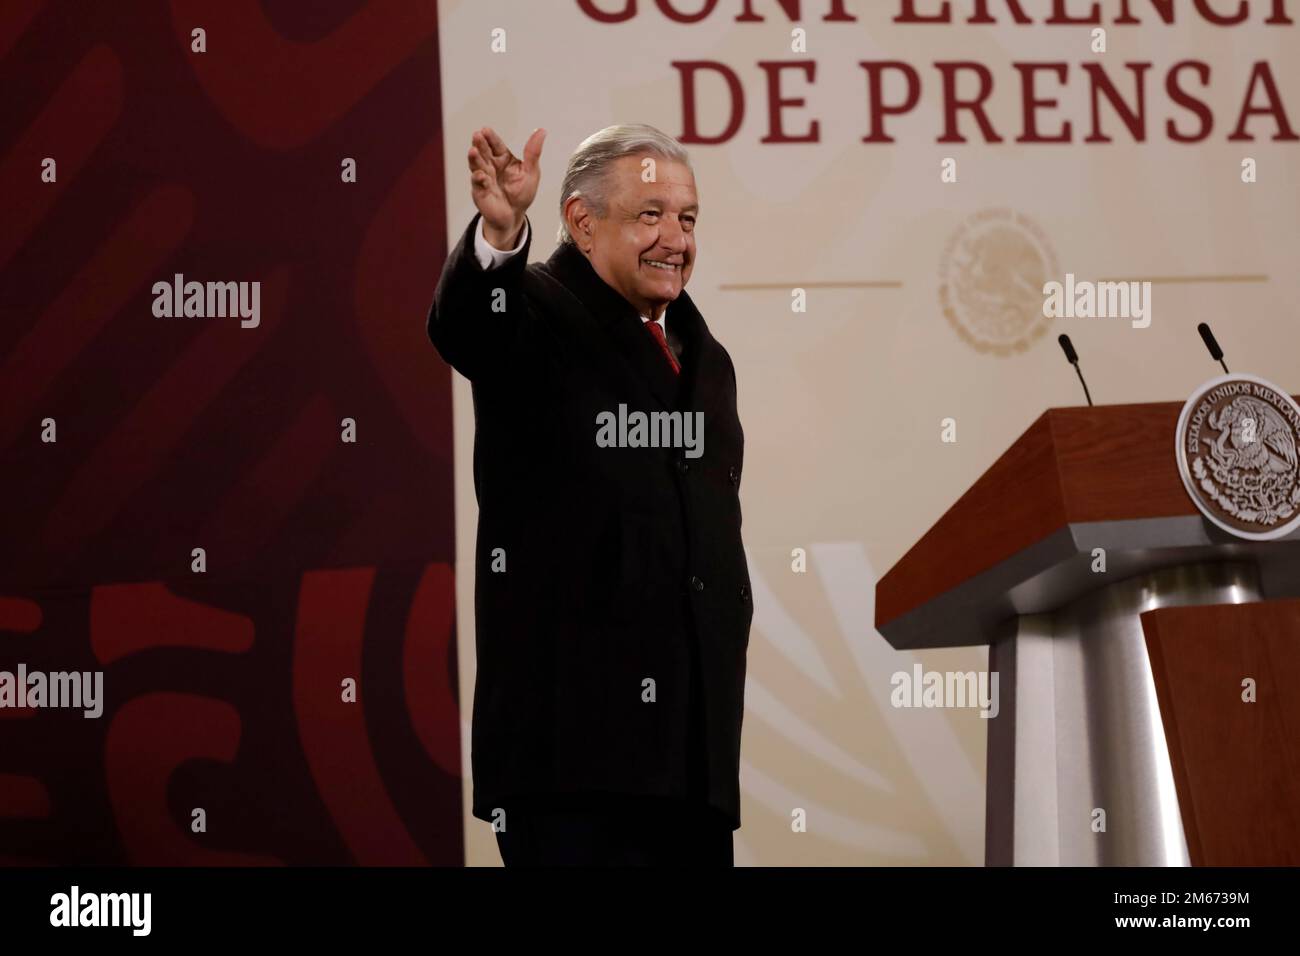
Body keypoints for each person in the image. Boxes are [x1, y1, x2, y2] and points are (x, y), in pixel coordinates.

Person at [426, 123, 751, 866]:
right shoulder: (534, 312)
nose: (675, 237)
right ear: (580, 221)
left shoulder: (707, 360)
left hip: (691, 770)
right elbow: (468, 329)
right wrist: (500, 237)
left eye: (688, 218)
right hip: (571, 766)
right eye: (649, 214)